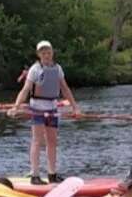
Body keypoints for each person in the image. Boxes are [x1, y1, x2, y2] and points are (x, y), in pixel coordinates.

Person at [8, 40, 83, 185]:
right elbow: (25, 89)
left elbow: (65, 89)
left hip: (52, 109)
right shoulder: (35, 69)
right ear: (39, 55)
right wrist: (16, 106)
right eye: (43, 53)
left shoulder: (58, 68)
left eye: (48, 52)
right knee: (37, 140)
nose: (46, 55)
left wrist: (75, 108)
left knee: (52, 141)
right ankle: (35, 175)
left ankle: (52, 174)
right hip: (37, 109)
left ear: (52, 52)